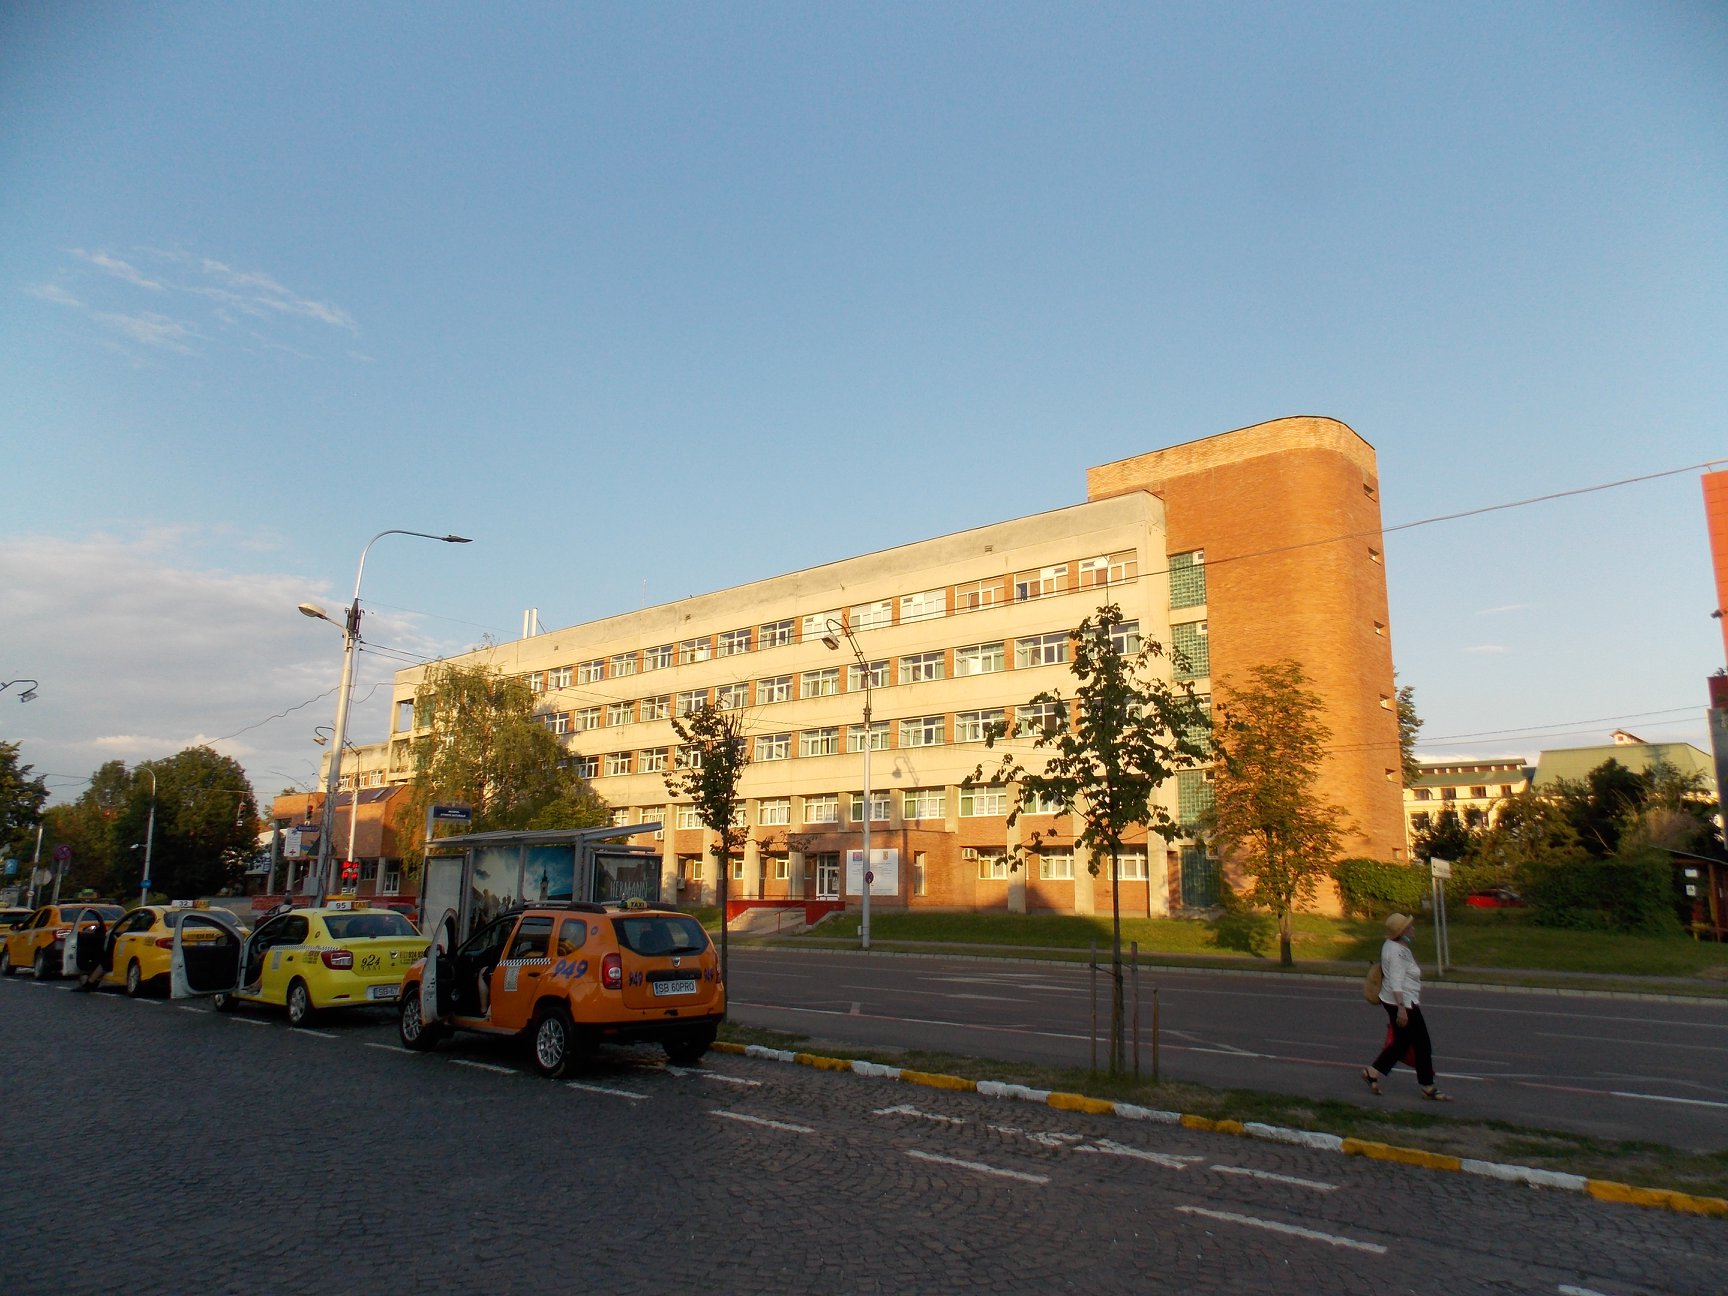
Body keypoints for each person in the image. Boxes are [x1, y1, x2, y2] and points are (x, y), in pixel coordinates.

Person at [1361, 911, 1451, 1101]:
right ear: (1402, 933)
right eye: (1409, 927)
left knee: (1401, 1043)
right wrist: (1401, 1009)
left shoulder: (1391, 945)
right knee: (1422, 1044)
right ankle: (1427, 1086)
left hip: (1394, 1001)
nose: (1413, 929)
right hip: (1403, 1003)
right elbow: (1396, 981)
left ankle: (1372, 1072)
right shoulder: (1398, 953)